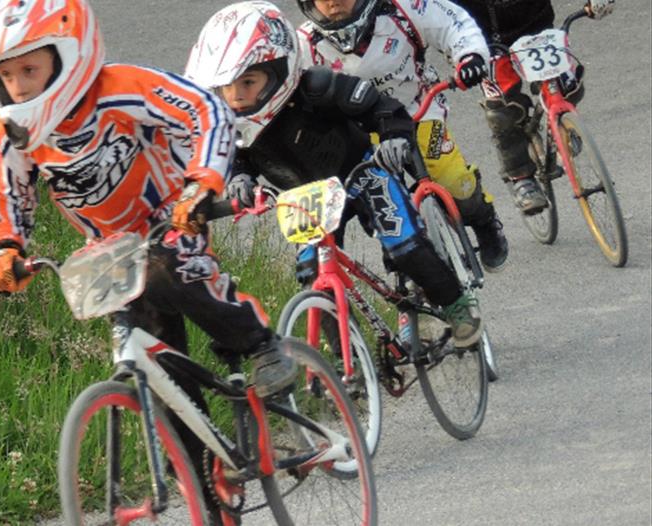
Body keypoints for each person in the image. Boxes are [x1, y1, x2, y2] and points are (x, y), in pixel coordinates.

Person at [0, 1, 295, 523]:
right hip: (109, 250)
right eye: (6, 73)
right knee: (161, 378)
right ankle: (207, 492)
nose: (17, 86)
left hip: (173, 220)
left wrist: (203, 183)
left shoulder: (118, 88)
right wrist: (4, 248)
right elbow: (5, 189)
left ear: (69, 55)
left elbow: (206, 110)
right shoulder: (11, 130)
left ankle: (259, 344)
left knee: (173, 269)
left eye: (30, 69)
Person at [185, 1, 482, 349]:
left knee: (405, 246)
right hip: (308, 200)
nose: (236, 98)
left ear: (279, 68)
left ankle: (456, 305)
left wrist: (393, 138)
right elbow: (236, 158)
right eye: (225, 89)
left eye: (248, 82)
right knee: (312, 277)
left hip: (363, 174)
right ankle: (347, 363)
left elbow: (382, 108)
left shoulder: (318, 87)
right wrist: (240, 178)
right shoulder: (235, 127)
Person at [294, 0, 509, 271]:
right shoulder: (303, 44)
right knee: (385, 205)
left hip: (418, 111)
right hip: (362, 132)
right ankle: (406, 269)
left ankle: (483, 220)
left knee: (455, 181)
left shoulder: (403, 8)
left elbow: (454, 24)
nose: (333, 2)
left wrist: (470, 57)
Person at [452, 0, 616, 215]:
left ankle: (560, 125)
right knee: (502, 110)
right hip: (482, 43)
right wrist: (456, 46)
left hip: (537, 27)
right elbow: (439, 11)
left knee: (570, 86)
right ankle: (521, 178)